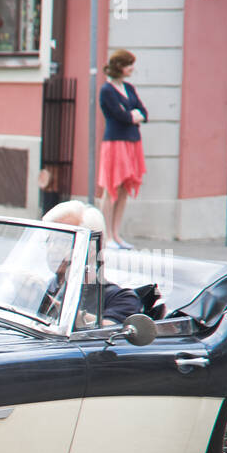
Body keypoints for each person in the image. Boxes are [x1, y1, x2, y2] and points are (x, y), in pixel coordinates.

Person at [44, 200, 143, 326]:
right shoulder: (50, 287)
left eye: (63, 241)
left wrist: (51, 305)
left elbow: (111, 329)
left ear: (91, 249)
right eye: (49, 240)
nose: (53, 248)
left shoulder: (122, 299)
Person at [98, 49, 147, 249]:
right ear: (119, 66)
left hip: (132, 142)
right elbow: (121, 116)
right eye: (129, 64)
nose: (132, 69)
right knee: (111, 189)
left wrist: (134, 114)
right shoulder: (107, 90)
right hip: (115, 143)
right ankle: (106, 235)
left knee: (125, 188)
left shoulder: (129, 88)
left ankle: (116, 235)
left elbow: (143, 111)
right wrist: (133, 115)